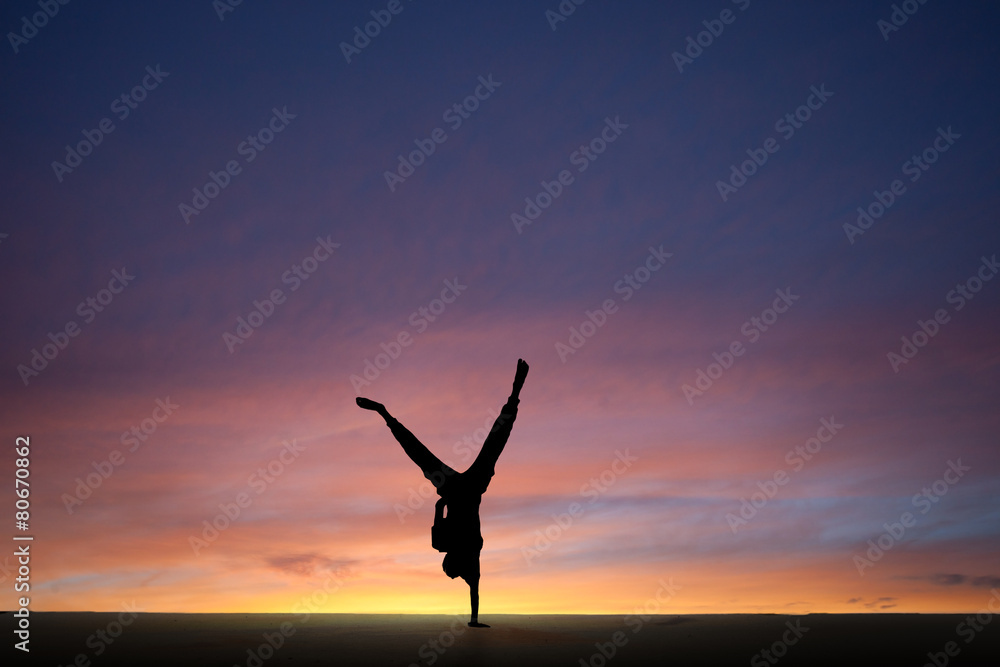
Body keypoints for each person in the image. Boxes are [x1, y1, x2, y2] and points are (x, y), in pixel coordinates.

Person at [356, 358, 529, 628]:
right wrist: (444, 501)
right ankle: (386, 415)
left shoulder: (464, 558)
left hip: (467, 490)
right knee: (444, 452)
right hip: (463, 490)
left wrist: (445, 501)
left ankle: (386, 415)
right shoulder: (453, 553)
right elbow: (438, 513)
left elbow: (474, 591)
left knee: (458, 449)